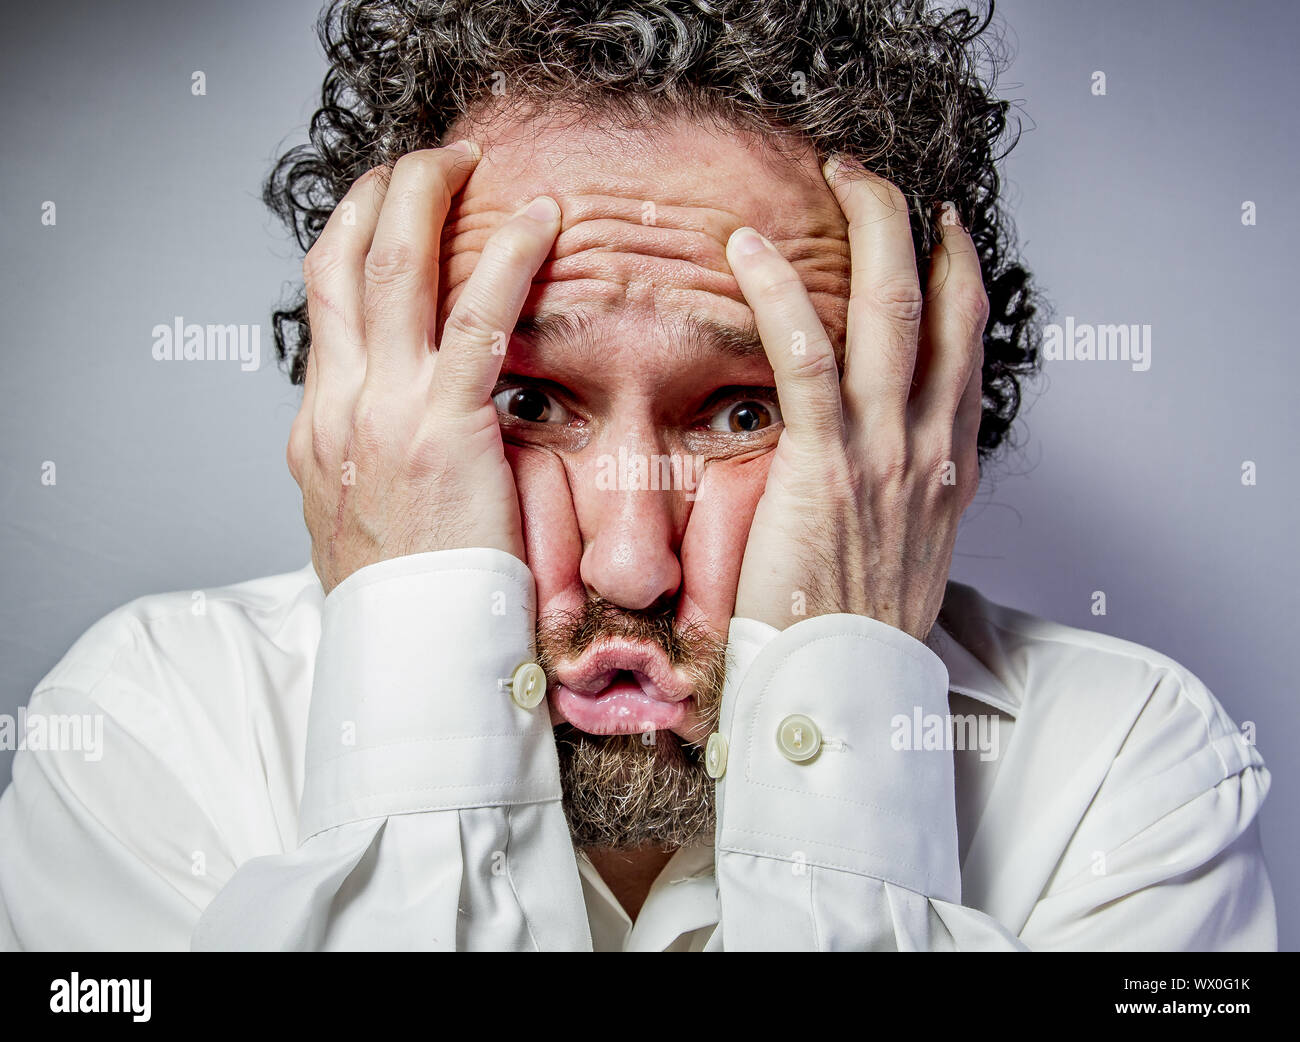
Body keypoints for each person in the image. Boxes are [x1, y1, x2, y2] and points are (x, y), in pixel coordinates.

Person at [0, 0, 1275, 951]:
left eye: (743, 411)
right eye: (526, 401)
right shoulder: (150, 728)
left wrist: (835, 715)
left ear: (915, 431)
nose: (630, 564)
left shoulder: (1127, 772)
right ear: (365, 398)